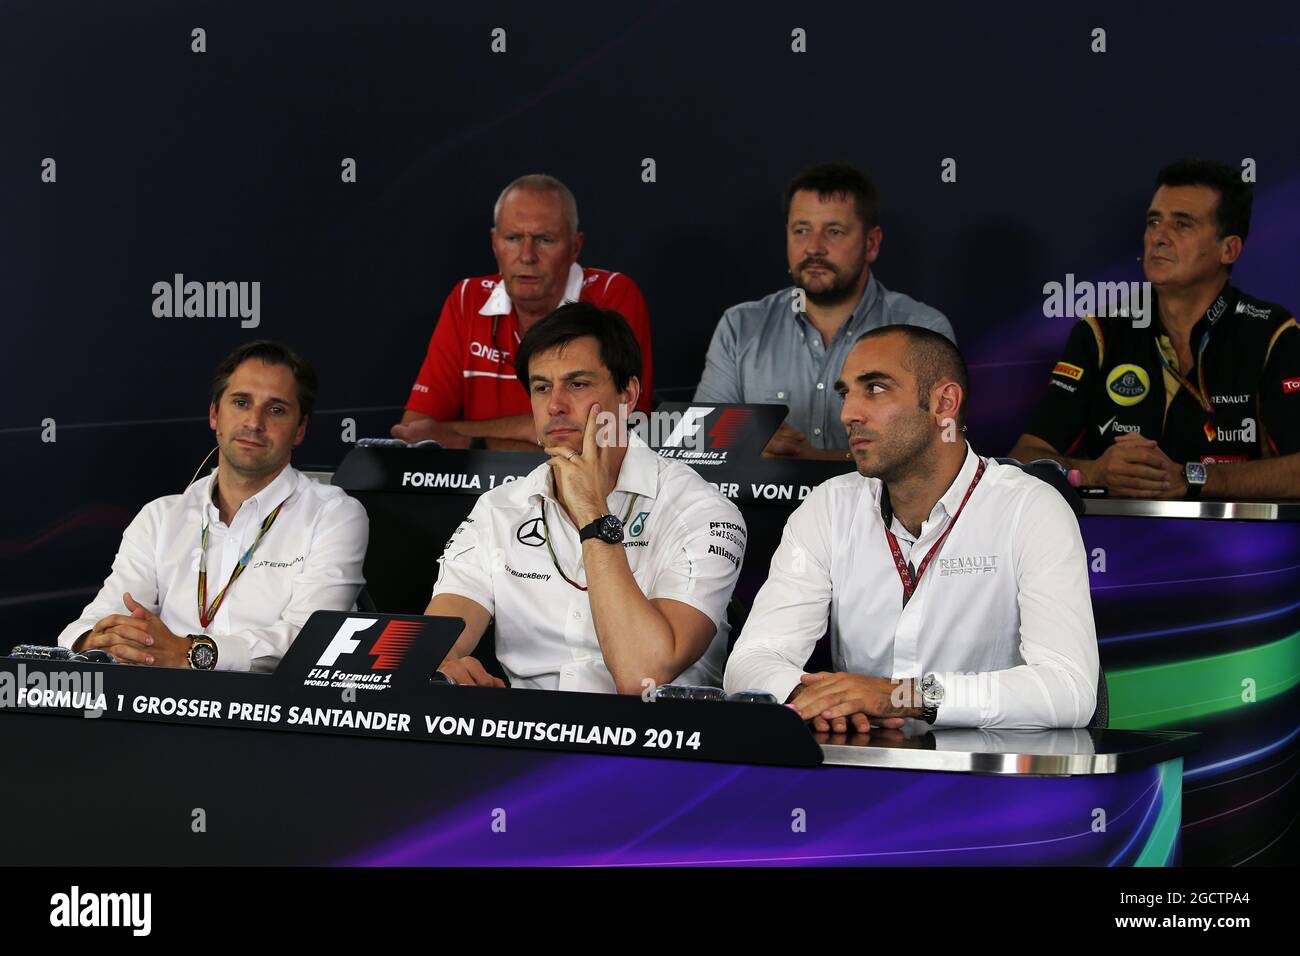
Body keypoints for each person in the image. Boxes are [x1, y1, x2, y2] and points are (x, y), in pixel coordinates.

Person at [725, 326, 1098, 729]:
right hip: (866, 775)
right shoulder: (829, 506)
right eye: (845, 393)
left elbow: (1068, 689)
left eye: (875, 389)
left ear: (944, 403)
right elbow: (750, 661)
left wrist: (905, 696)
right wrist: (815, 700)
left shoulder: (1031, 508)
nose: (848, 413)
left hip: (990, 781)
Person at [424, 302, 745, 693]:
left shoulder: (700, 511)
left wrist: (592, 514)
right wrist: (442, 667)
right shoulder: (498, 509)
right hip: (525, 737)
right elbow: (437, 640)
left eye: (577, 384)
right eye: (541, 387)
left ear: (628, 393)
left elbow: (642, 675)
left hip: (659, 741)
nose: (555, 405)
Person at [57, 341, 369, 672]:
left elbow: (315, 641)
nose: (254, 422)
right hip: (156, 707)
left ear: (300, 429)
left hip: (270, 714)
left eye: (276, 409)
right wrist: (97, 639)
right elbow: (97, 619)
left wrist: (189, 653)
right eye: (241, 402)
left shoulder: (334, 515)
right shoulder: (160, 517)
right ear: (214, 414)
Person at [1011, 159, 1300, 499]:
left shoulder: (1272, 334)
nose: (1159, 238)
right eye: (1154, 222)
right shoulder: (1101, 333)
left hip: (1240, 548)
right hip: (1119, 546)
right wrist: (1097, 471)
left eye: (1182, 224)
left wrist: (1193, 477)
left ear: (1229, 249)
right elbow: (1022, 460)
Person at [695, 161, 955, 459]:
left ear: (871, 243)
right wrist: (746, 441)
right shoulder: (740, 326)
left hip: (878, 506)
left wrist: (809, 461)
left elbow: (938, 450)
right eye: (801, 230)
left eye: (834, 231)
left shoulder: (923, 329)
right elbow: (698, 446)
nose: (813, 247)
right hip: (755, 506)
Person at [393, 174, 654, 451]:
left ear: (575, 246)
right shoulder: (466, 298)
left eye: (545, 239)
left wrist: (465, 440)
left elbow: (614, 435)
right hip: (480, 491)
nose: (527, 256)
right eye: (513, 238)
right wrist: (529, 430)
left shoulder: (611, 296)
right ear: (495, 242)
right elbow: (414, 433)